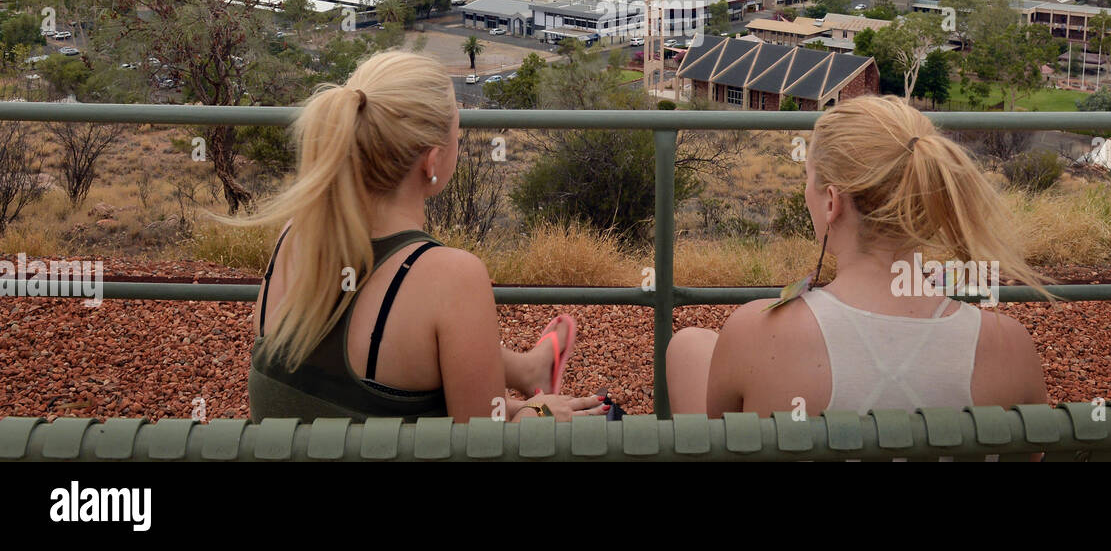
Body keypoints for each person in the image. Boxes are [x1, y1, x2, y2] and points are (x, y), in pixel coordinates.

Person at [237, 49, 606, 423]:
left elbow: (334, 406)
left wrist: (512, 407)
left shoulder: (293, 236)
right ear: (432, 162)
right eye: (456, 135)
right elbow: (484, 444)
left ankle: (528, 370)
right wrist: (536, 412)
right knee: (602, 420)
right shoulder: (450, 277)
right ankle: (533, 377)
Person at [666, 95, 1051, 419]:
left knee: (687, 346)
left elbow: (718, 445)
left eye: (809, 180)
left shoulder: (752, 333)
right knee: (691, 346)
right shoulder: (1011, 347)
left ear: (832, 202)